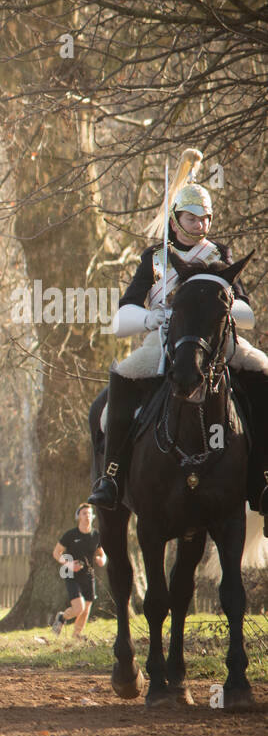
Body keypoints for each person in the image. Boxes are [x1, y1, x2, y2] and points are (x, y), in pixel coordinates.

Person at [90, 147, 261, 520]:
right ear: (176, 218)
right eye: (191, 218)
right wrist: (149, 320)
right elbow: (121, 319)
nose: (199, 225)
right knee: (120, 376)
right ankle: (112, 478)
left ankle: (262, 477)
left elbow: (246, 312)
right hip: (166, 340)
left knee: (264, 373)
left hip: (216, 342)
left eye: (205, 219)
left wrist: (221, 307)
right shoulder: (155, 258)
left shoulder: (219, 254)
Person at [51, 504, 106, 639]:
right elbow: (56, 553)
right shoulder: (70, 535)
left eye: (89, 513)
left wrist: (101, 560)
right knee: (78, 608)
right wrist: (68, 563)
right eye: (83, 513)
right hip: (72, 575)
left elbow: (103, 554)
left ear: (92, 516)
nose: (87, 516)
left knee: (86, 608)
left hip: (89, 575)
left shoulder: (96, 535)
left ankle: (77, 635)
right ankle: (62, 617)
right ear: (78, 517)